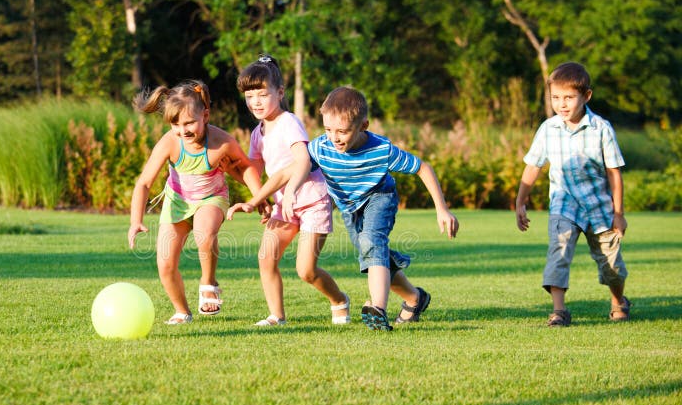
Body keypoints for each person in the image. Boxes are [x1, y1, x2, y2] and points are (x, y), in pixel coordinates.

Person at [229, 86, 459, 331]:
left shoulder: (382, 150)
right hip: (350, 208)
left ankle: (378, 310)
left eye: (342, 131)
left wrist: (442, 209)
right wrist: (256, 200)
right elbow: (289, 171)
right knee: (373, 255)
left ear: (363, 125)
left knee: (372, 242)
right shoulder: (322, 147)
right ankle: (415, 298)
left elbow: (422, 167)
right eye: (328, 130)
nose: (334, 137)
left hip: (379, 197)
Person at [128, 80, 265, 325]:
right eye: (176, 124)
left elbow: (245, 169)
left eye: (190, 122)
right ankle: (182, 311)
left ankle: (208, 282)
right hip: (177, 203)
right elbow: (144, 183)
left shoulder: (221, 141)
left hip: (211, 199)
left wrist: (259, 198)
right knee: (165, 265)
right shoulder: (170, 142)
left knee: (204, 234)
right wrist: (135, 220)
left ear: (205, 114)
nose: (183, 130)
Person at [232, 54, 349, 327]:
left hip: (311, 200)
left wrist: (292, 191)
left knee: (306, 270)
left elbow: (303, 160)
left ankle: (339, 299)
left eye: (262, 94)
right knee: (266, 257)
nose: (256, 102)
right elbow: (254, 171)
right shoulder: (257, 133)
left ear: (280, 92)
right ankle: (277, 316)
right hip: (283, 203)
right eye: (250, 96)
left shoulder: (289, 122)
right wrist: (256, 200)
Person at [515, 61, 630, 327]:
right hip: (564, 205)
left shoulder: (601, 128)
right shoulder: (548, 129)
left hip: (599, 207)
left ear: (586, 96)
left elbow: (614, 173)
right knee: (559, 251)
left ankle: (618, 301)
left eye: (569, 97)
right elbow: (533, 166)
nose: (562, 104)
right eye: (556, 97)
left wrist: (619, 213)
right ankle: (559, 311)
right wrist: (521, 201)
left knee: (611, 266)